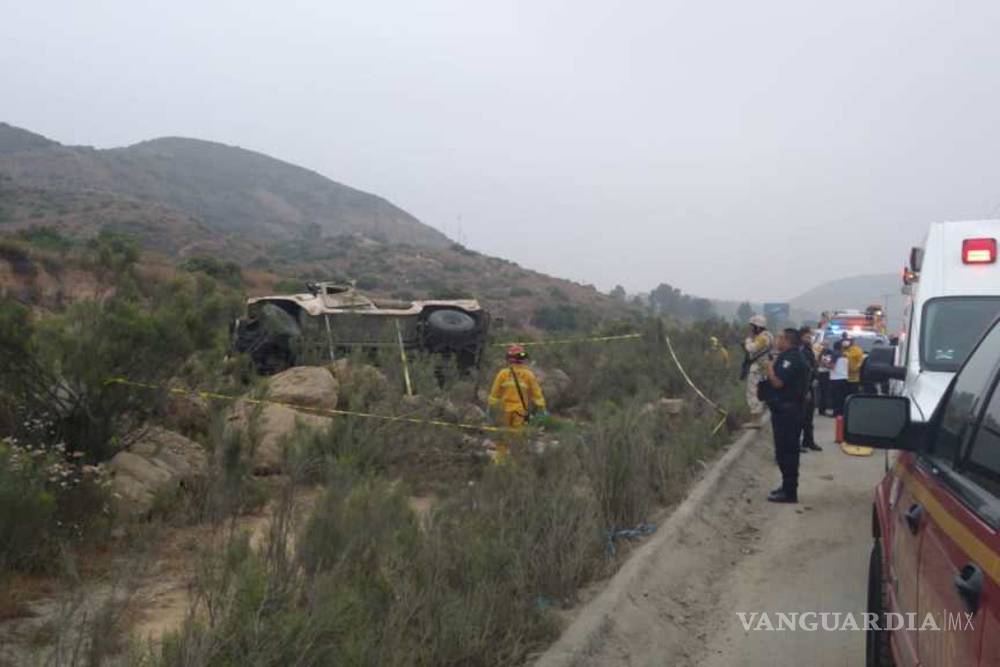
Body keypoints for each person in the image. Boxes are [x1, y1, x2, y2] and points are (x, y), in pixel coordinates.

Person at [761, 328, 810, 503]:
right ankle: (786, 487)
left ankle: (789, 492)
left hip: (789, 413)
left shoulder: (792, 359)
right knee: (783, 452)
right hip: (785, 411)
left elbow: (778, 382)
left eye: (780, 337)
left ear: (787, 340)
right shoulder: (788, 357)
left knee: (788, 452)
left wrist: (769, 369)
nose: (777, 340)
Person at [488, 345, 547, 463]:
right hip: (520, 412)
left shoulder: (503, 374)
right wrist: (542, 410)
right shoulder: (528, 375)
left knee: (502, 438)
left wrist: (491, 409)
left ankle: (500, 464)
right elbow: (537, 395)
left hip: (503, 411)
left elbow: (494, 395)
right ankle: (515, 466)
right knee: (517, 439)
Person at [742, 315, 774, 421]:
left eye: (753, 327)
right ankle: (757, 416)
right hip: (763, 367)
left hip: (758, 368)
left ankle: (755, 417)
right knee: (759, 391)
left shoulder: (763, 338)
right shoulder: (767, 336)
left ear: (758, 327)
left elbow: (751, 348)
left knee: (753, 391)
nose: (751, 329)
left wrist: (748, 340)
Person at [798, 326, 821, 452]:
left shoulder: (808, 348)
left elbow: (813, 366)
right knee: (801, 417)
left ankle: (809, 441)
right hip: (804, 387)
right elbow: (805, 370)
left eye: (810, 336)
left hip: (810, 385)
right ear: (801, 337)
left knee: (809, 417)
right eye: (807, 336)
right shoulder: (801, 349)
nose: (809, 338)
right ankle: (800, 443)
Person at [829, 341, 849, 417]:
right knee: (841, 397)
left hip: (836, 378)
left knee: (835, 397)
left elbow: (832, 366)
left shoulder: (834, 354)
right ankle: (841, 413)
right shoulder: (845, 355)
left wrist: (825, 365)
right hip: (844, 377)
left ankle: (835, 413)